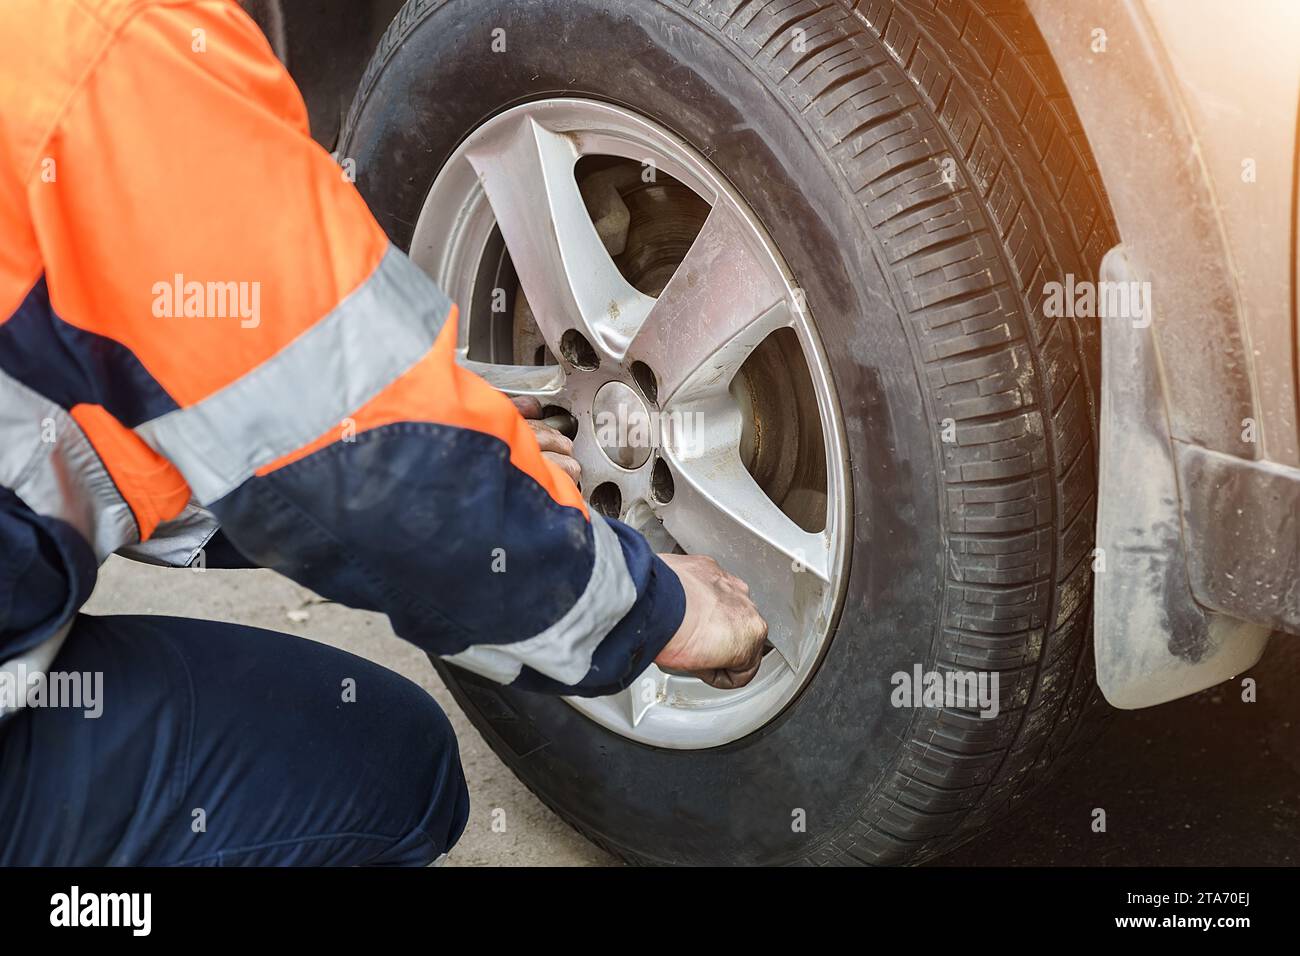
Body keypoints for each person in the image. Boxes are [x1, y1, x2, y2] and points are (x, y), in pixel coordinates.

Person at [0, 0, 767, 865]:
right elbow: (371, 481)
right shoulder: (112, 49)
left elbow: (118, 387)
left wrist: (443, 426)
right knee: (385, 772)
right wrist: (656, 609)